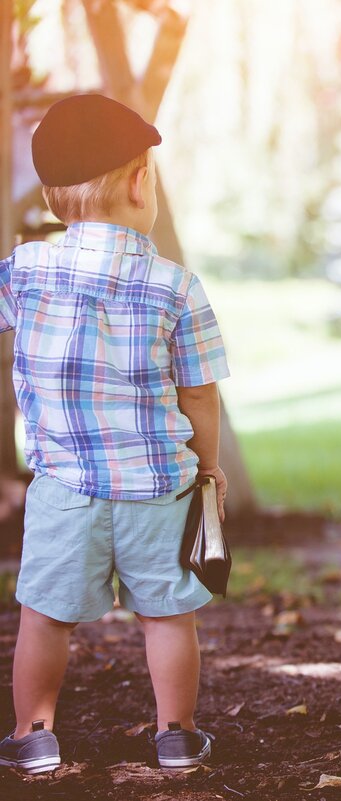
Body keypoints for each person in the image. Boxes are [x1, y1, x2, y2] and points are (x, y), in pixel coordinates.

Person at [0, 94, 230, 774]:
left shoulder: (23, 271)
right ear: (139, 183)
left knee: (44, 614)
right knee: (168, 616)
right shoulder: (177, 287)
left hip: (64, 486)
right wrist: (208, 467)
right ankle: (177, 735)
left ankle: (32, 735)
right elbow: (200, 391)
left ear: (52, 194)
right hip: (158, 486)